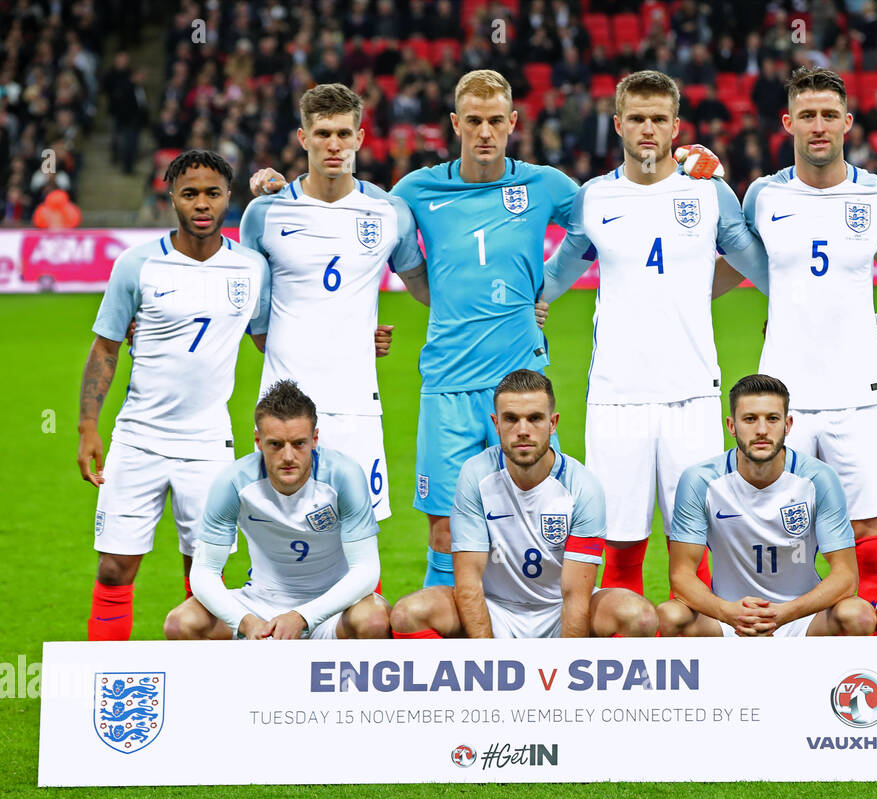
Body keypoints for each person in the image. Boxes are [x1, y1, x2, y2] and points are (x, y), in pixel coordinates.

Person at [252, 69, 720, 590]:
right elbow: (346, 211)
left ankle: (539, 633)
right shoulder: (414, 192)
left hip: (523, 382)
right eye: (473, 121)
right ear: (456, 122)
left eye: (496, 121)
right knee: (446, 533)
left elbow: (623, 198)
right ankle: (447, 642)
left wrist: (688, 167)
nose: (484, 132)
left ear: (512, 123)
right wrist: (280, 189)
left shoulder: (545, 185)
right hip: (447, 383)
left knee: (548, 521)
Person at [542, 70, 769, 597]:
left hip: (691, 394)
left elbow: (764, 266)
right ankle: (627, 665)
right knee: (619, 550)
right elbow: (555, 277)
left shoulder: (708, 193)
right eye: (637, 118)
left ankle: (708, 668)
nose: (648, 129)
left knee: (698, 548)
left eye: (659, 119)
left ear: (676, 127)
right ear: (619, 124)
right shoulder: (594, 198)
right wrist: (526, 309)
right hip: (615, 398)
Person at [717, 66, 877, 605]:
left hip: (858, 396)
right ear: (788, 123)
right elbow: (737, 267)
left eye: (829, 115)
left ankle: (863, 657)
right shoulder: (763, 195)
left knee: (872, 532)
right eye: (807, 116)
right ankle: (783, 649)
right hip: (783, 398)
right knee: (773, 530)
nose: (818, 125)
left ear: (848, 122)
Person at [77, 149, 270, 640]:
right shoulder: (137, 264)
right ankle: (106, 684)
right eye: (189, 194)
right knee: (115, 569)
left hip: (208, 445)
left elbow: (274, 342)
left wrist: (357, 339)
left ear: (229, 197)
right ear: (172, 199)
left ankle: (201, 696)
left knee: (205, 581)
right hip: (137, 439)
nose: (201, 204)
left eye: (212, 193)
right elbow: (105, 347)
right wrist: (86, 428)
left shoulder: (250, 268)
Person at [242, 84, 428, 524]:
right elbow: (251, 317)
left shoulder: (390, 213)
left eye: (344, 134)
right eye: (323, 133)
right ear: (303, 138)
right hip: (282, 409)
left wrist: (515, 303)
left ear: (360, 139)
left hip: (356, 404)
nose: (334, 145)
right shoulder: (264, 214)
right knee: (278, 534)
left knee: (359, 532)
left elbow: (424, 288)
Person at [388, 370, 657, 639]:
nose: (523, 430)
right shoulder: (476, 475)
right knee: (408, 614)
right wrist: (491, 666)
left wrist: (563, 670)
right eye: (511, 419)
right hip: (495, 608)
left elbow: (576, 596)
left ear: (553, 423)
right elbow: (468, 584)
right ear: (496, 423)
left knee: (639, 618)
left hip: (558, 609)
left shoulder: (582, 486)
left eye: (535, 418)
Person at [163, 381, 389, 640]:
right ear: (258, 441)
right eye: (276, 445)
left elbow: (367, 570)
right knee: (181, 623)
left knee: (374, 619)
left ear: (315, 439)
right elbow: (204, 572)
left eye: (299, 443)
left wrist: (302, 617)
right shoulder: (233, 482)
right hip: (260, 605)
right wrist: (245, 622)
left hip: (332, 608)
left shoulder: (343, 476)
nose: (289, 456)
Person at [657, 374, 876, 638]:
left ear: (788, 424)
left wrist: (783, 614)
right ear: (731, 426)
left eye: (772, 419)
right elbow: (681, 576)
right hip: (729, 618)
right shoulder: (701, 480)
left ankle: (831, 679)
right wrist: (727, 612)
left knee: (858, 615)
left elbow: (846, 575)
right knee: (669, 616)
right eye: (750, 419)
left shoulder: (818, 478)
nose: (762, 430)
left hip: (800, 618)